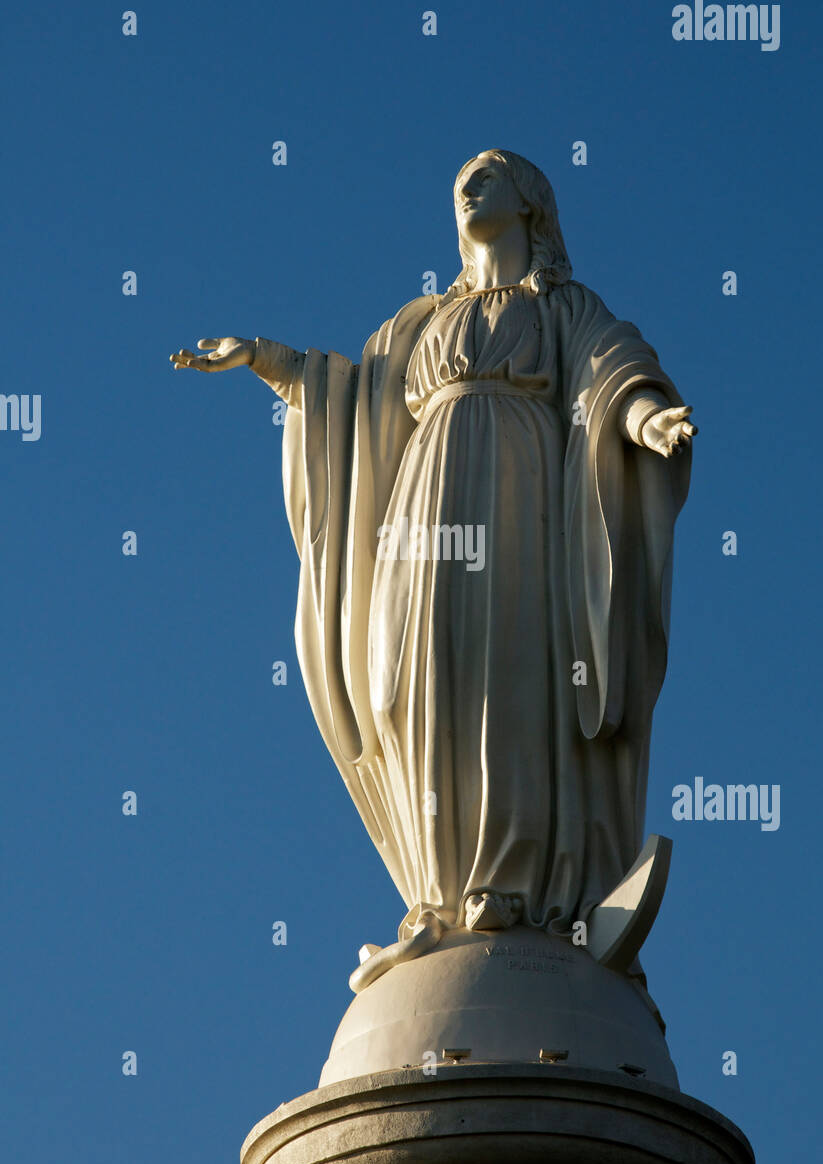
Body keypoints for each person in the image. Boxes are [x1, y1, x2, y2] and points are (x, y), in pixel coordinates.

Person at [171, 149, 695, 958]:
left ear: (530, 204)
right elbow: (357, 400)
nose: (468, 186)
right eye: (461, 181)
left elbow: (609, 373)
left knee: (508, 672)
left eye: (489, 175)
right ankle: (436, 895)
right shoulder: (419, 323)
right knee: (408, 681)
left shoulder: (562, 307)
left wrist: (645, 420)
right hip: (423, 497)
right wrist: (271, 362)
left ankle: (519, 890)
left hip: (522, 495)